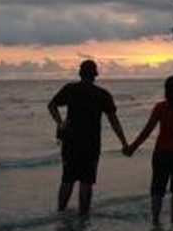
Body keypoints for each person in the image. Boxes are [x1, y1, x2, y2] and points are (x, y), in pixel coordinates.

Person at [48, 59, 128, 216]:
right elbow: (114, 121)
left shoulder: (70, 89)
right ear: (95, 75)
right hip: (91, 144)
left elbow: (51, 105)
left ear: (80, 74)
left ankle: (60, 213)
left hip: (70, 142)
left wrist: (60, 123)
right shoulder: (102, 94)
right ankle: (83, 216)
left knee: (67, 179)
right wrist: (124, 143)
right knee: (87, 181)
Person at [126, 76, 173, 226]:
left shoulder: (161, 107)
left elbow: (147, 131)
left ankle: (156, 221)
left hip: (161, 154)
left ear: (166, 91)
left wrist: (133, 147)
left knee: (157, 190)